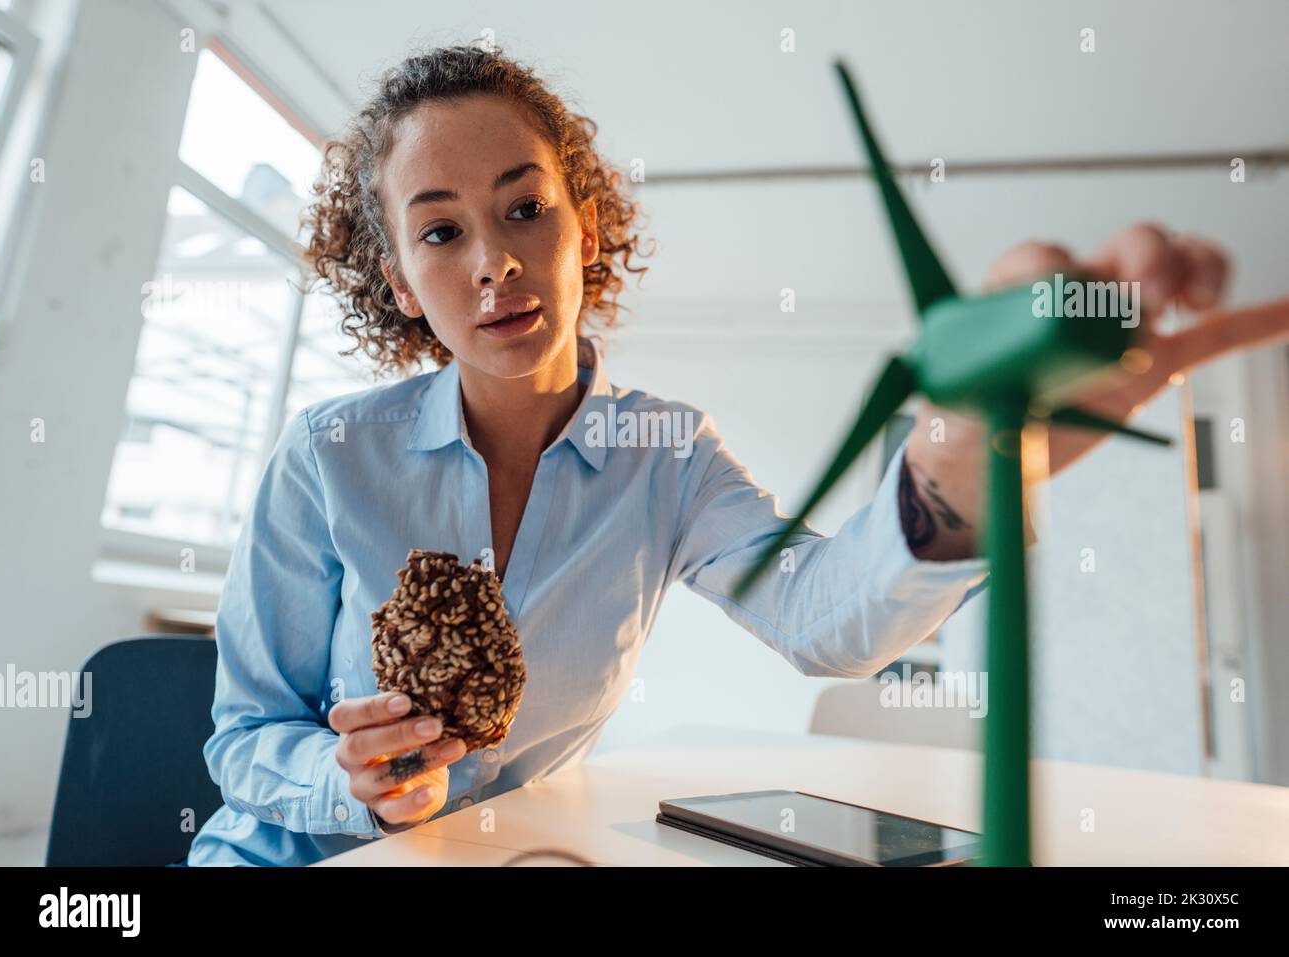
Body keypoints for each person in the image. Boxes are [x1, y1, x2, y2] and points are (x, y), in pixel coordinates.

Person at [186, 43, 1286, 866]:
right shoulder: (329, 456)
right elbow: (242, 738)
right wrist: (350, 783)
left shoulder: (664, 456)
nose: (494, 265)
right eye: (440, 231)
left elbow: (821, 617)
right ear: (397, 282)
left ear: (586, 224)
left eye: (524, 208)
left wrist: (960, 460)